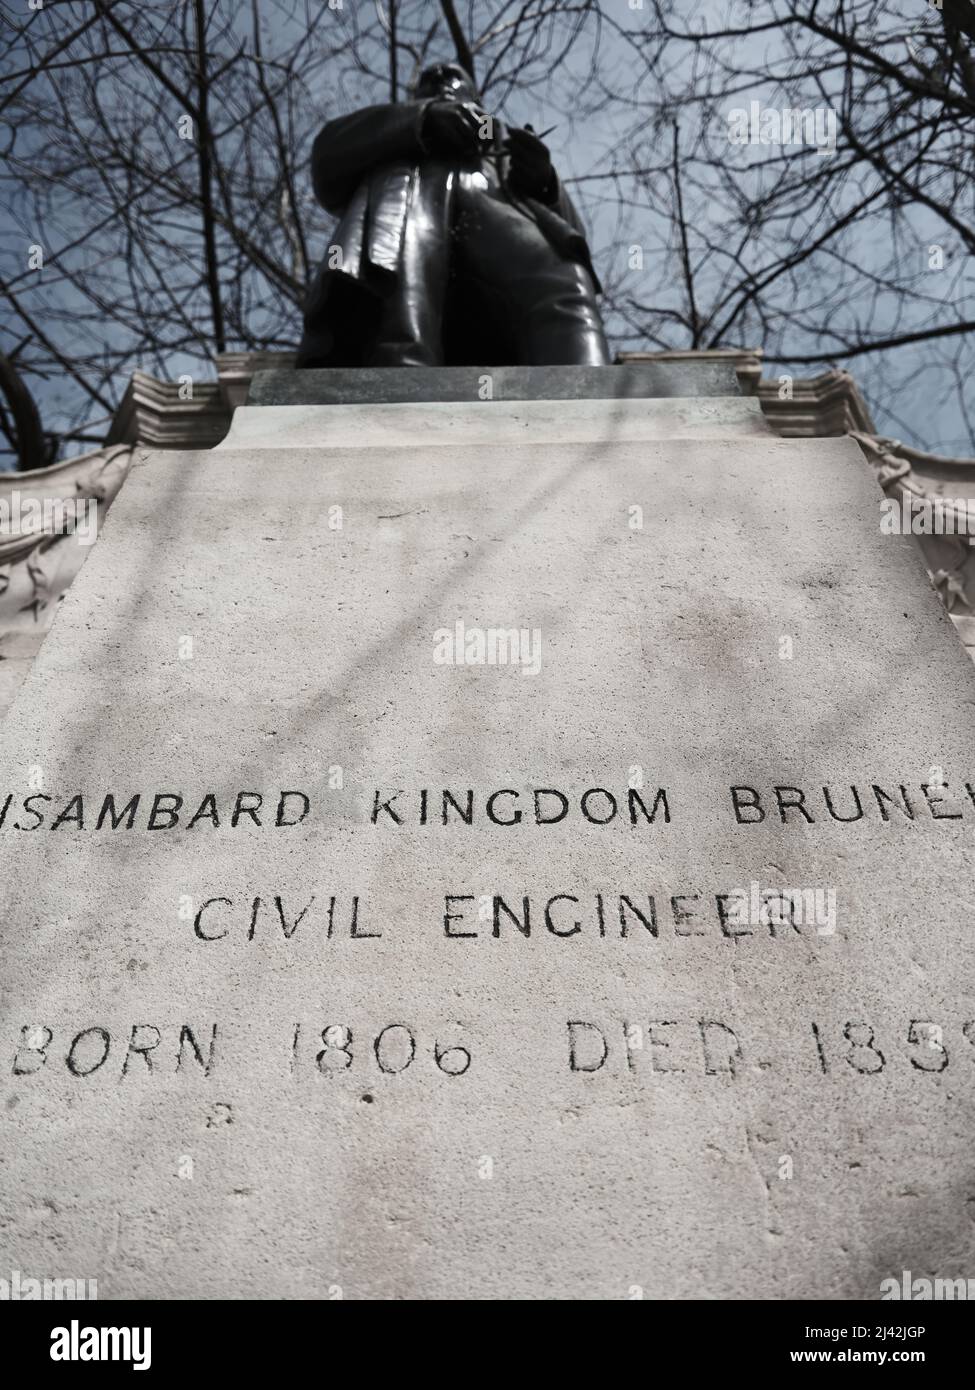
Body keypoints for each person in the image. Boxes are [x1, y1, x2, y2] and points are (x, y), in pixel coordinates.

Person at [296, 62, 611, 368]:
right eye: (430, 77)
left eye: (453, 74)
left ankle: (586, 397)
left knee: (563, 277)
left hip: (501, 210)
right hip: (413, 201)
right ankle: (400, 399)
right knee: (403, 290)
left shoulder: (500, 138)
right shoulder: (393, 128)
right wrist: (424, 118)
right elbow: (327, 158)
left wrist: (543, 182)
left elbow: (574, 235)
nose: (440, 77)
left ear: (474, 94)